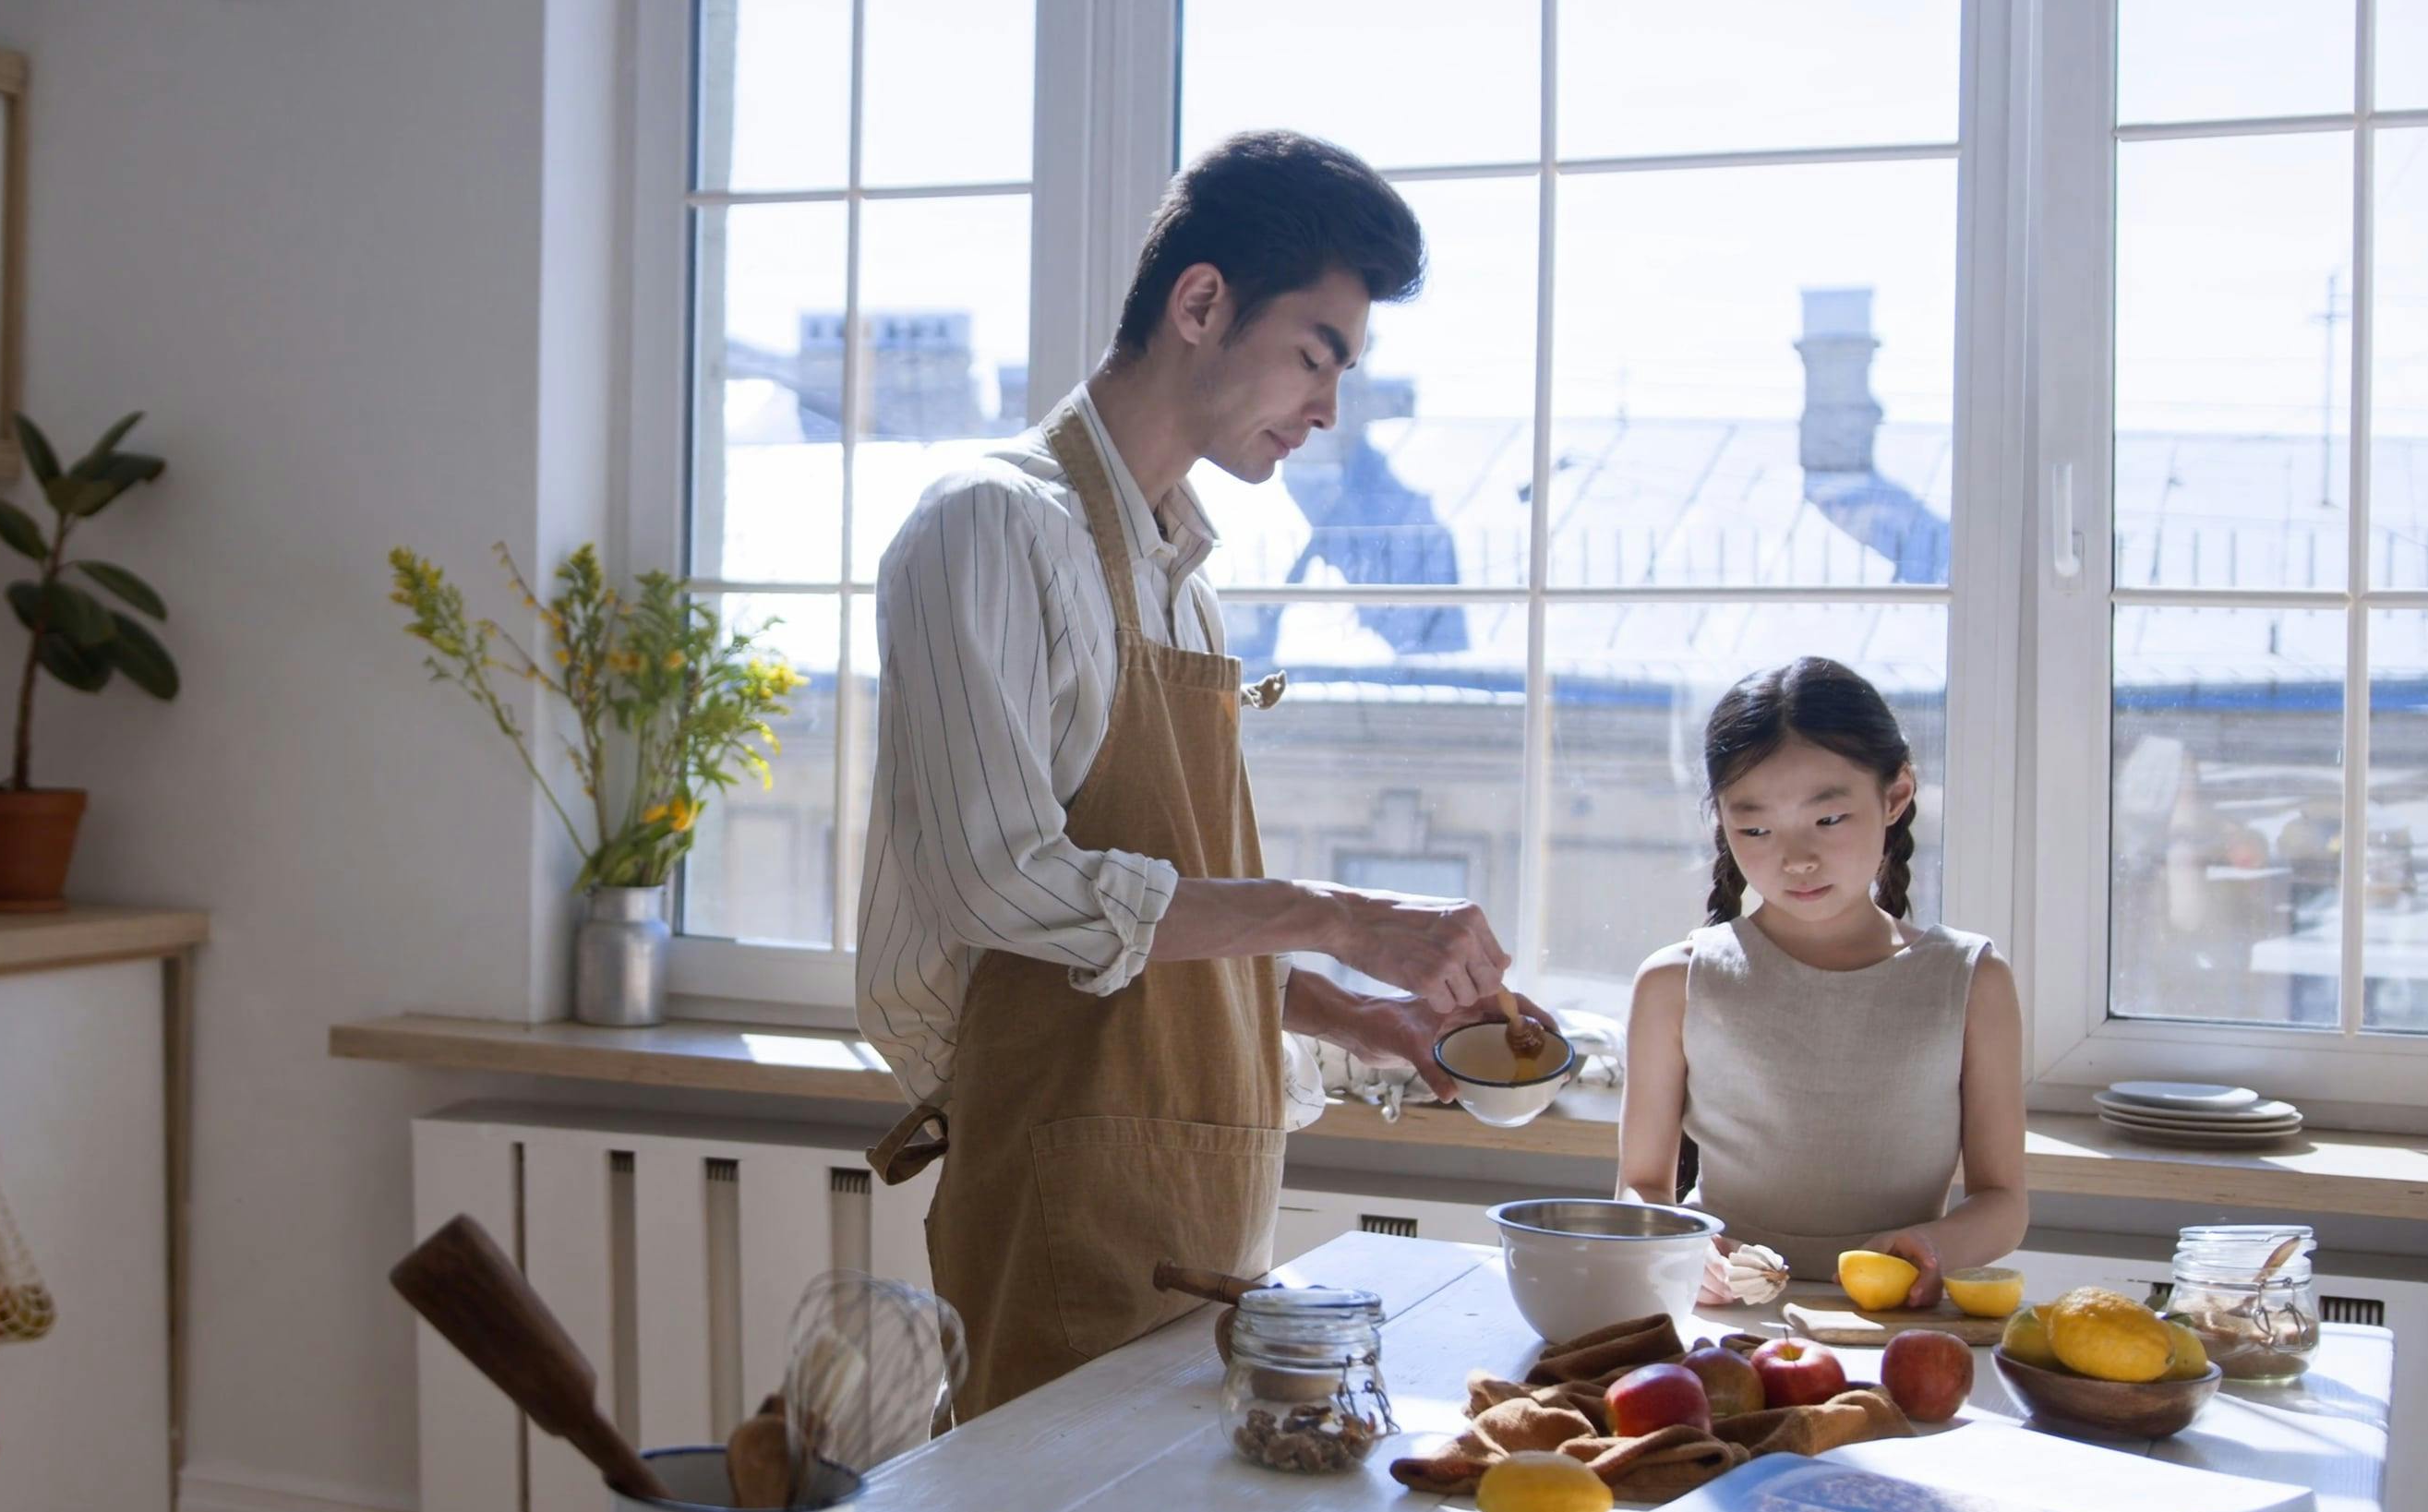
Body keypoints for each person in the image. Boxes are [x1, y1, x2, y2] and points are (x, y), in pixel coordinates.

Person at [855, 130, 1547, 1418]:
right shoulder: (992, 526)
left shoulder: (1190, 592)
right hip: (1064, 1186)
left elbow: (1162, 918)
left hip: (1208, 1190)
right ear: (1201, 302)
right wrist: (1342, 916)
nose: (1330, 407)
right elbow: (1000, 885)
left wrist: (1355, 1017)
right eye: (1316, 353)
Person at [1614, 657, 2028, 1308]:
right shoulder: (1676, 981)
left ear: (1895, 796)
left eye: (1828, 819)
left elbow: (2003, 1203)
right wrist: (1678, 1244)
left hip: (1899, 1325)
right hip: (1725, 1323)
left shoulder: (1971, 980)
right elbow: (1639, 1186)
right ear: (1721, 820)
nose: (1797, 858)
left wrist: (1934, 1245)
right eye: (1755, 828)